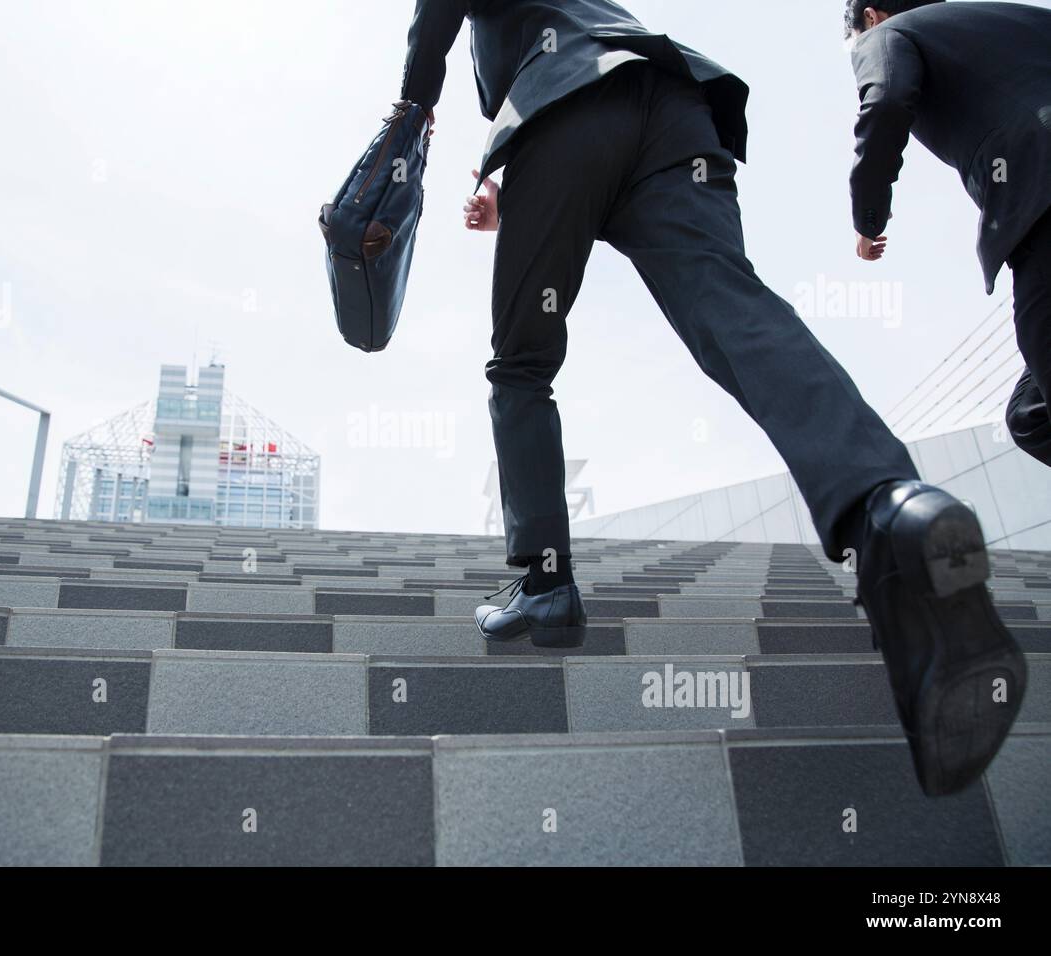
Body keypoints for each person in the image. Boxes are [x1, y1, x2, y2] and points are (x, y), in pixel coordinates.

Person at [397, 0, 1026, 796]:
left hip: (563, 112)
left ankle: (546, 582)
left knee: (521, 365)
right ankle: (888, 509)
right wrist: (525, 186)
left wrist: (412, 114)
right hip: (673, 107)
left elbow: (440, 22)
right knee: (735, 311)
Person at [845, 0, 1051, 466]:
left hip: (1040, 192)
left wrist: (868, 217)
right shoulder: (1012, 17)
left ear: (871, 17)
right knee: (1030, 414)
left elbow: (887, 99)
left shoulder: (884, 36)